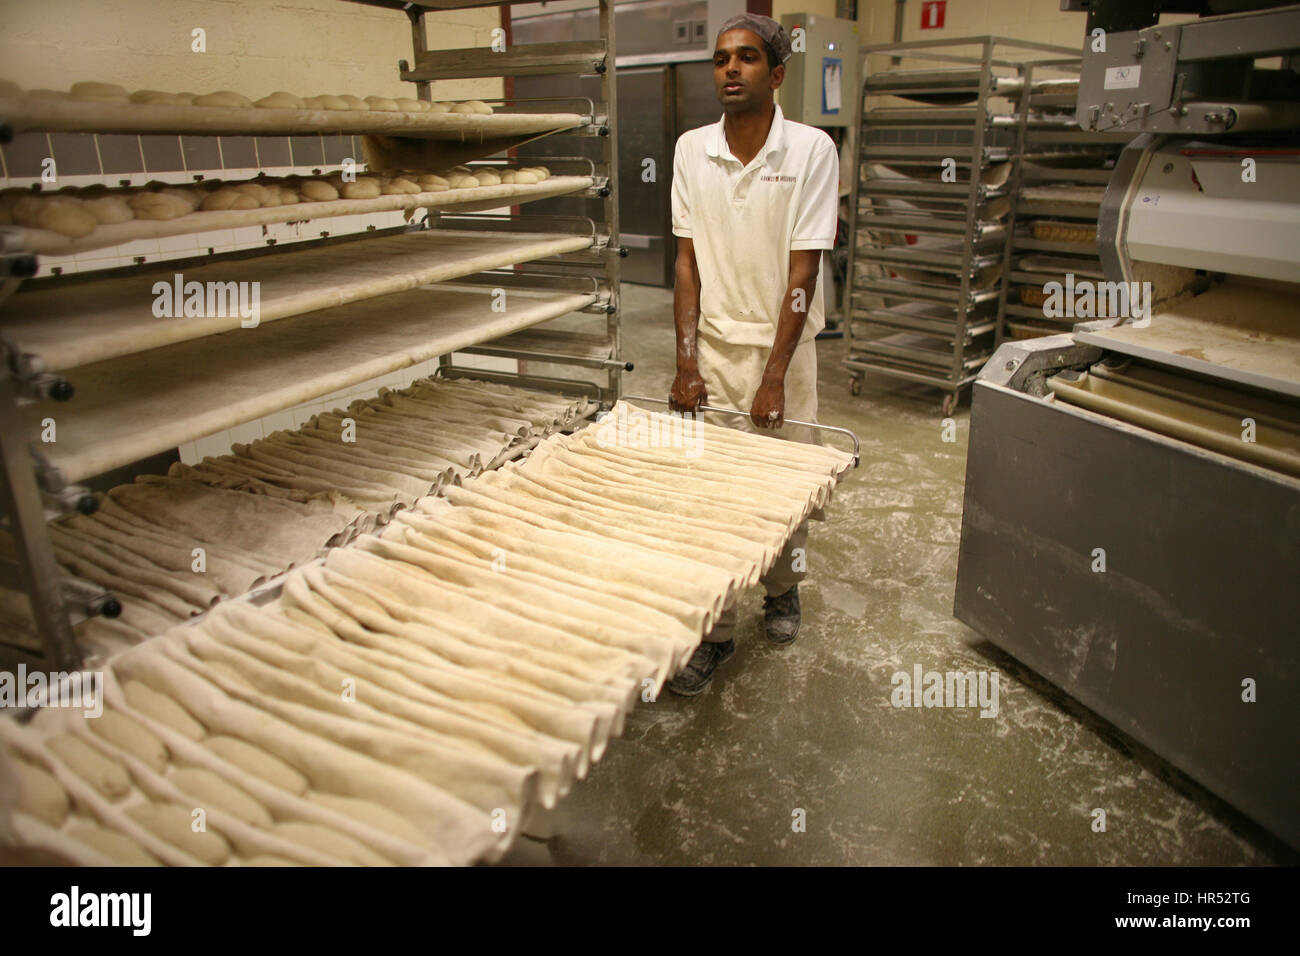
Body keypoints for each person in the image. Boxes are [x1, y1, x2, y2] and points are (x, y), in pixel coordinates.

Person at [666, 13, 839, 696]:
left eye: (745, 58)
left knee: (782, 496)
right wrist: (686, 363)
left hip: (784, 358)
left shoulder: (810, 152)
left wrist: (774, 380)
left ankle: (783, 589)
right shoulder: (690, 151)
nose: (730, 69)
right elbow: (685, 265)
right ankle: (715, 633)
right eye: (719, 60)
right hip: (713, 351)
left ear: (777, 73)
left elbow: (804, 274)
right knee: (712, 502)